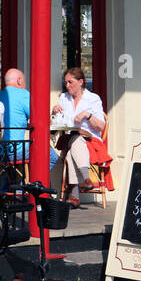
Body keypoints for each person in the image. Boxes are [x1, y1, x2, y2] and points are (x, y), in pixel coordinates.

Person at [51, 67, 112, 207]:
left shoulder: (93, 99)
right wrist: (54, 111)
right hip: (70, 139)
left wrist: (87, 115)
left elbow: (101, 127)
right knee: (75, 140)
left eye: (70, 82)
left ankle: (75, 195)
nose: (67, 86)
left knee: (74, 145)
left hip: (91, 141)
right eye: (65, 82)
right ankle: (86, 179)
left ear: (80, 82)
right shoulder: (63, 98)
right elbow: (57, 122)